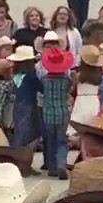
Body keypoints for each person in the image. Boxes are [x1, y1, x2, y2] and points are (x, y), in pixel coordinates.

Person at [40, 44, 75, 178]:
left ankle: (52, 167)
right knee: (62, 141)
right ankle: (61, 163)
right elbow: (69, 93)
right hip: (62, 113)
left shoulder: (44, 80)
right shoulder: (66, 80)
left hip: (48, 114)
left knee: (49, 140)